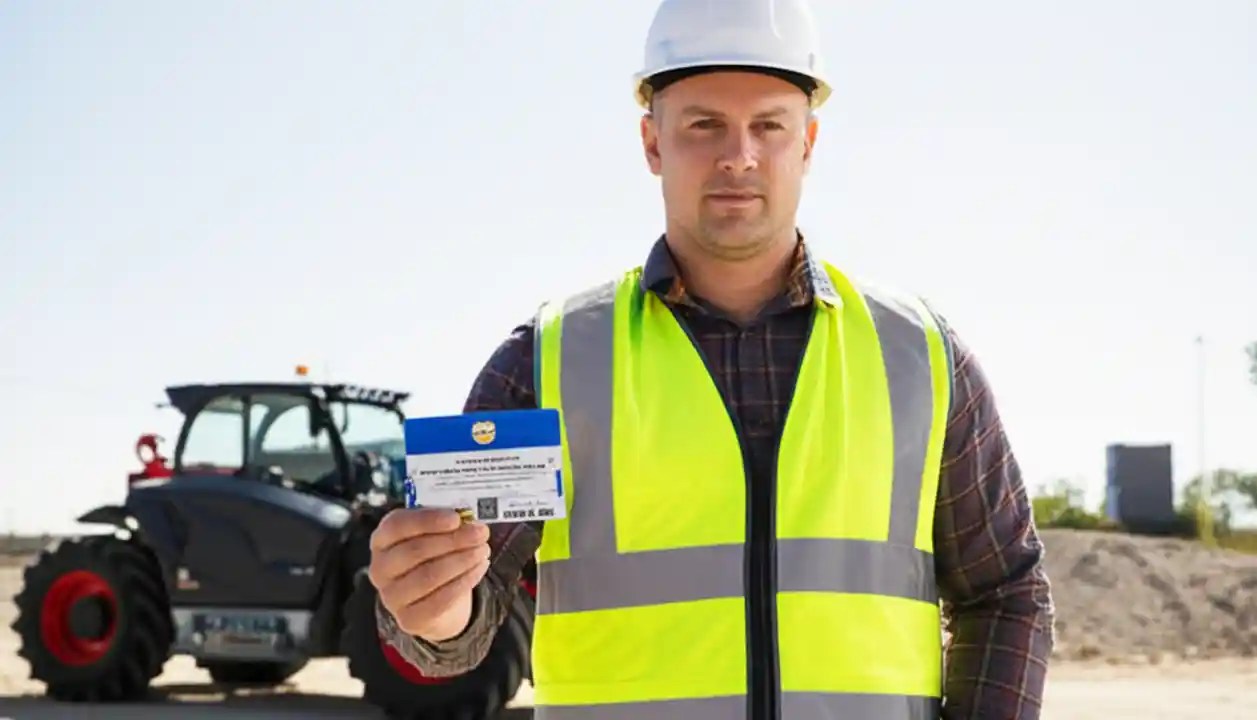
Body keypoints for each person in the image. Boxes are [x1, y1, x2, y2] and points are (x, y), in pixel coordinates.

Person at [368, 0, 1055, 718]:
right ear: (652, 142)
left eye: (768, 125)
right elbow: (463, 611)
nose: (739, 156)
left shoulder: (919, 355)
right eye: (704, 125)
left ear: (809, 141)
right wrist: (431, 609)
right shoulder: (545, 361)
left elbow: (1005, 591)